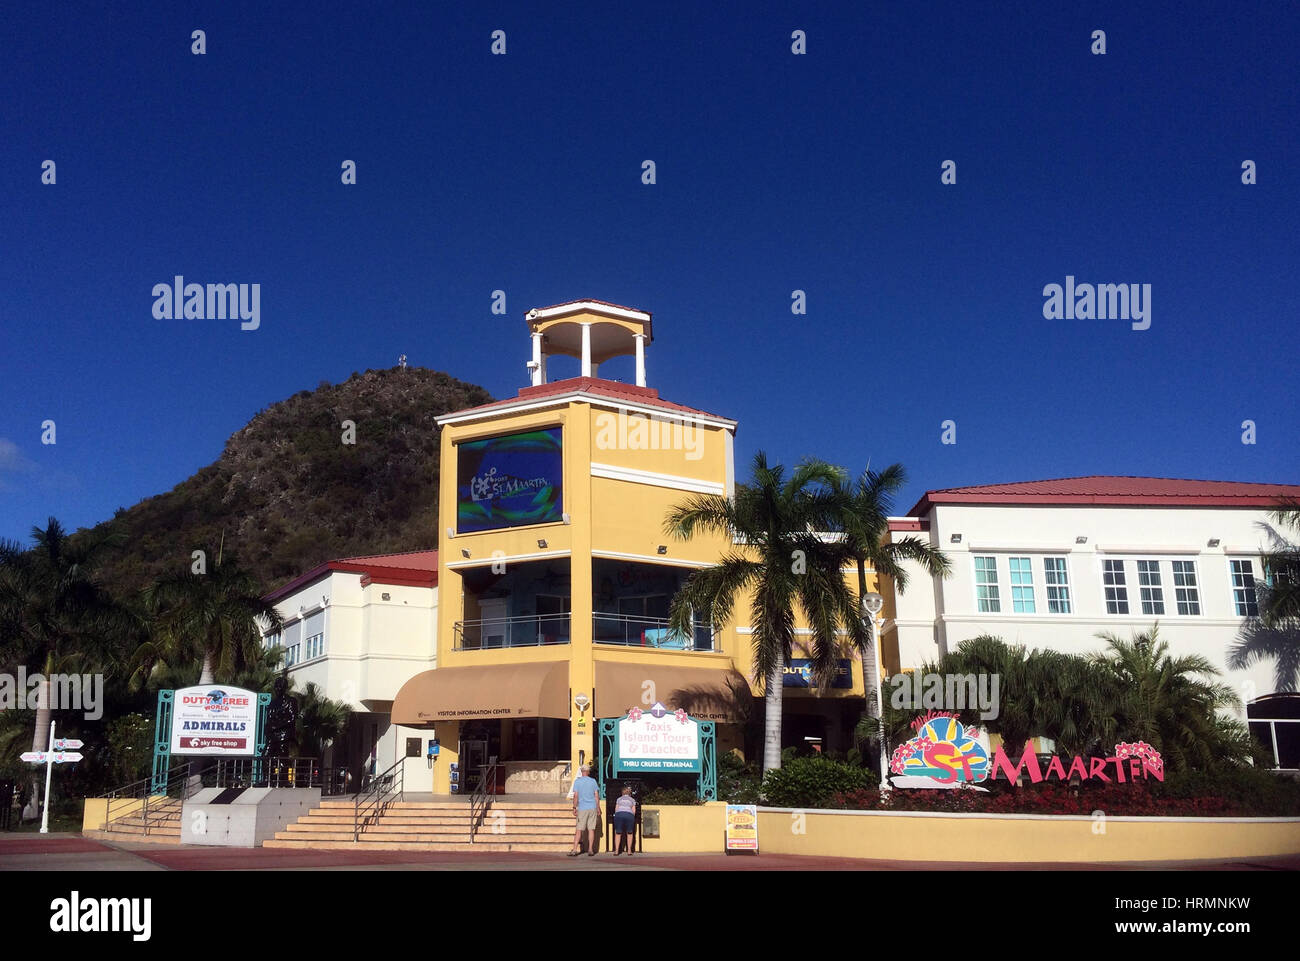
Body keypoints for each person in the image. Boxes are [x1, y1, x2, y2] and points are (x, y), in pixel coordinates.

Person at [568, 764, 600, 856]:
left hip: (582, 808)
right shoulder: (593, 781)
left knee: (579, 830)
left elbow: (576, 796)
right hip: (592, 807)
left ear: (582, 772)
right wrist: (598, 808)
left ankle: (574, 849)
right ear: (588, 771)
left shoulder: (577, 782)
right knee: (591, 829)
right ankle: (590, 849)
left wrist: (574, 807)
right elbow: (596, 796)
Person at [613, 785, 637, 855]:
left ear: (622, 792)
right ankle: (629, 850)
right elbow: (634, 811)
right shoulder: (632, 800)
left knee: (618, 833)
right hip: (629, 815)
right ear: (629, 793)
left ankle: (616, 850)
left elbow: (616, 809)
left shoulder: (619, 799)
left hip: (619, 814)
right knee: (629, 833)